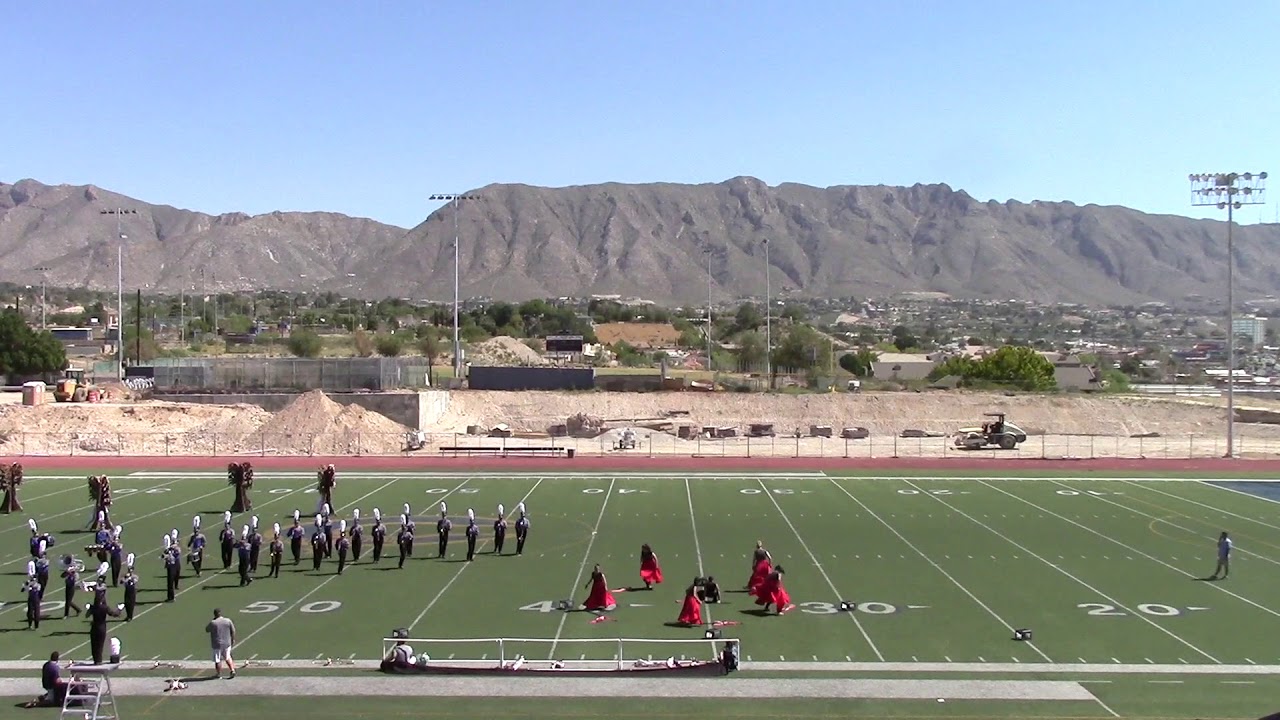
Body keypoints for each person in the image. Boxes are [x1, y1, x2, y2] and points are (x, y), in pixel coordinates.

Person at [87, 594, 122, 665]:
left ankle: (96, 660)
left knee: (94, 645)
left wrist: (89, 608)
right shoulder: (104, 607)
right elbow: (114, 614)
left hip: (94, 627)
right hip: (101, 628)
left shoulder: (93, 607)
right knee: (100, 645)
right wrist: (119, 609)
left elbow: (87, 615)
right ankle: (99, 661)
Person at [205, 608, 237, 679]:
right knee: (228, 657)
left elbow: (207, 629)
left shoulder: (213, 622)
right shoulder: (228, 621)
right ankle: (232, 670)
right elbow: (233, 630)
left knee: (218, 660)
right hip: (227, 643)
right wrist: (233, 639)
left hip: (217, 644)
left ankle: (218, 673)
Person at [22, 561, 42, 630]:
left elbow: (38, 588)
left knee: (36, 612)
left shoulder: (37, 584)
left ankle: (36, 626)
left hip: (35, 598)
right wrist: (26, 585)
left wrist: (30, 584)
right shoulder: (30, 583)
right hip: (30, 598)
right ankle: (30, 625)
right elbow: (23, 590)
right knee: (30, 613)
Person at [122, 553, 138, 621]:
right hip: (127, 590)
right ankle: (127, 615)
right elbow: (121, 581)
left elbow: (134, 581)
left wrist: (129, 577)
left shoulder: (135, 576)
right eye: (129, 570)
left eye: (131, 570)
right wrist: (125, 577)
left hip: (132, 590)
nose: (130, 571)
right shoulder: (125, 575)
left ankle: (130, 616)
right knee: (126, 603)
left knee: (131, 603)